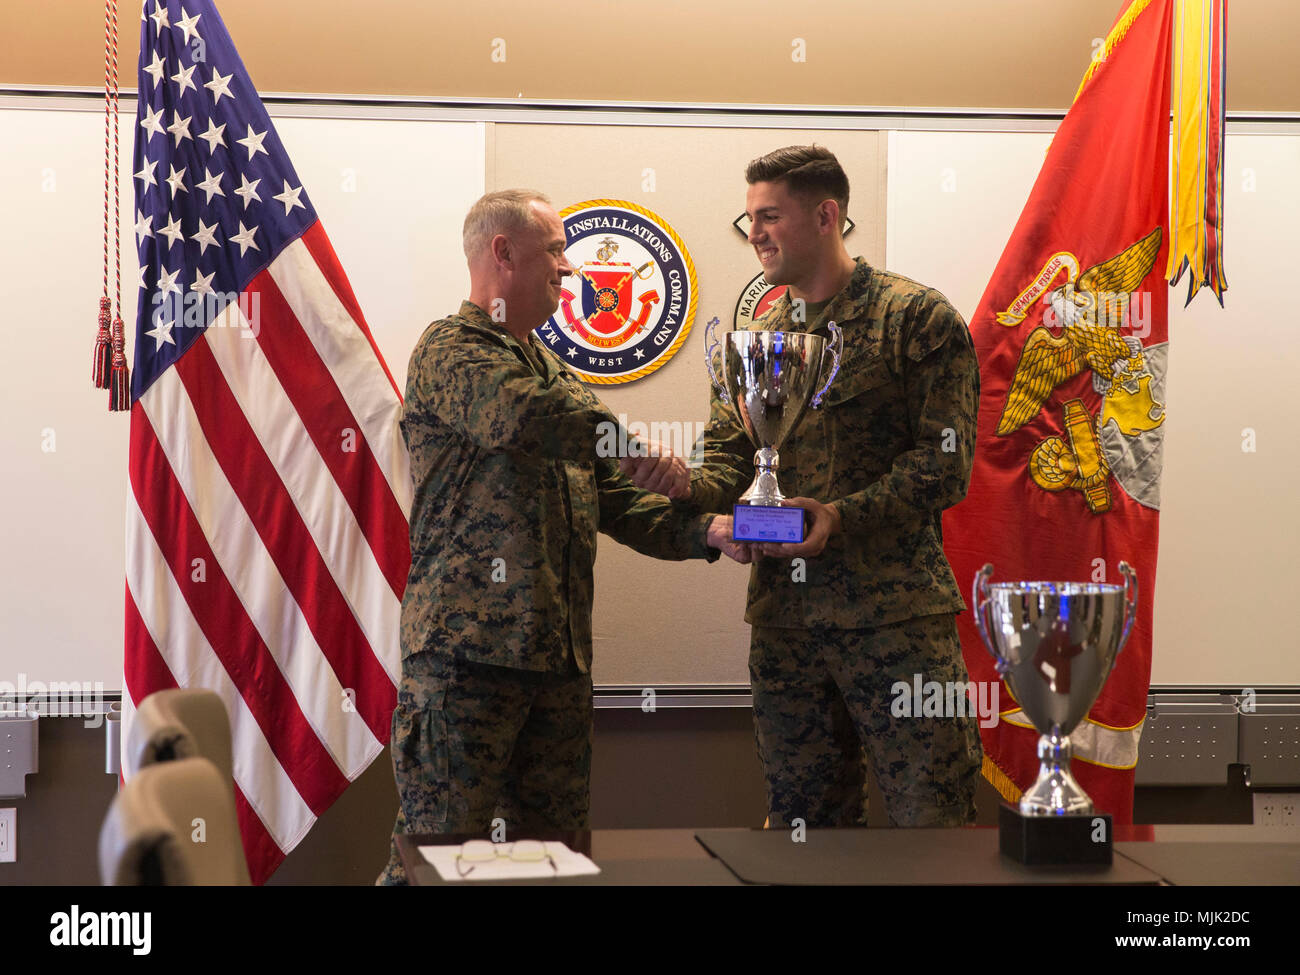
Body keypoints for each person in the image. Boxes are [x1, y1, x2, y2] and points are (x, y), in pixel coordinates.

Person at [377, 189, 742, 884]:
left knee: (551, 862)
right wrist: (626, 440)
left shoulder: (556, 372)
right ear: (502, 253)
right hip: (467, 662)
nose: (568, 269)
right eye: (554, 250)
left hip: (557, 665)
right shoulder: (451, 350)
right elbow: (517, 417)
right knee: (433, 860)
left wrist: (710, 531)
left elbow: (620, 504)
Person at [674, 146, 984, 828]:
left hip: (896, 622)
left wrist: (840, 517)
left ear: (825, 215)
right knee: (802, 830)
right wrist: (679, 482)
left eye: (770, 215)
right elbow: (728, 464)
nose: (755, 232)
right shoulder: (755, 340)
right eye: (749, 216)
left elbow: (944, 464)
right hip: (788, 627)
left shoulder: (916, 319)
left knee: (932, 822)